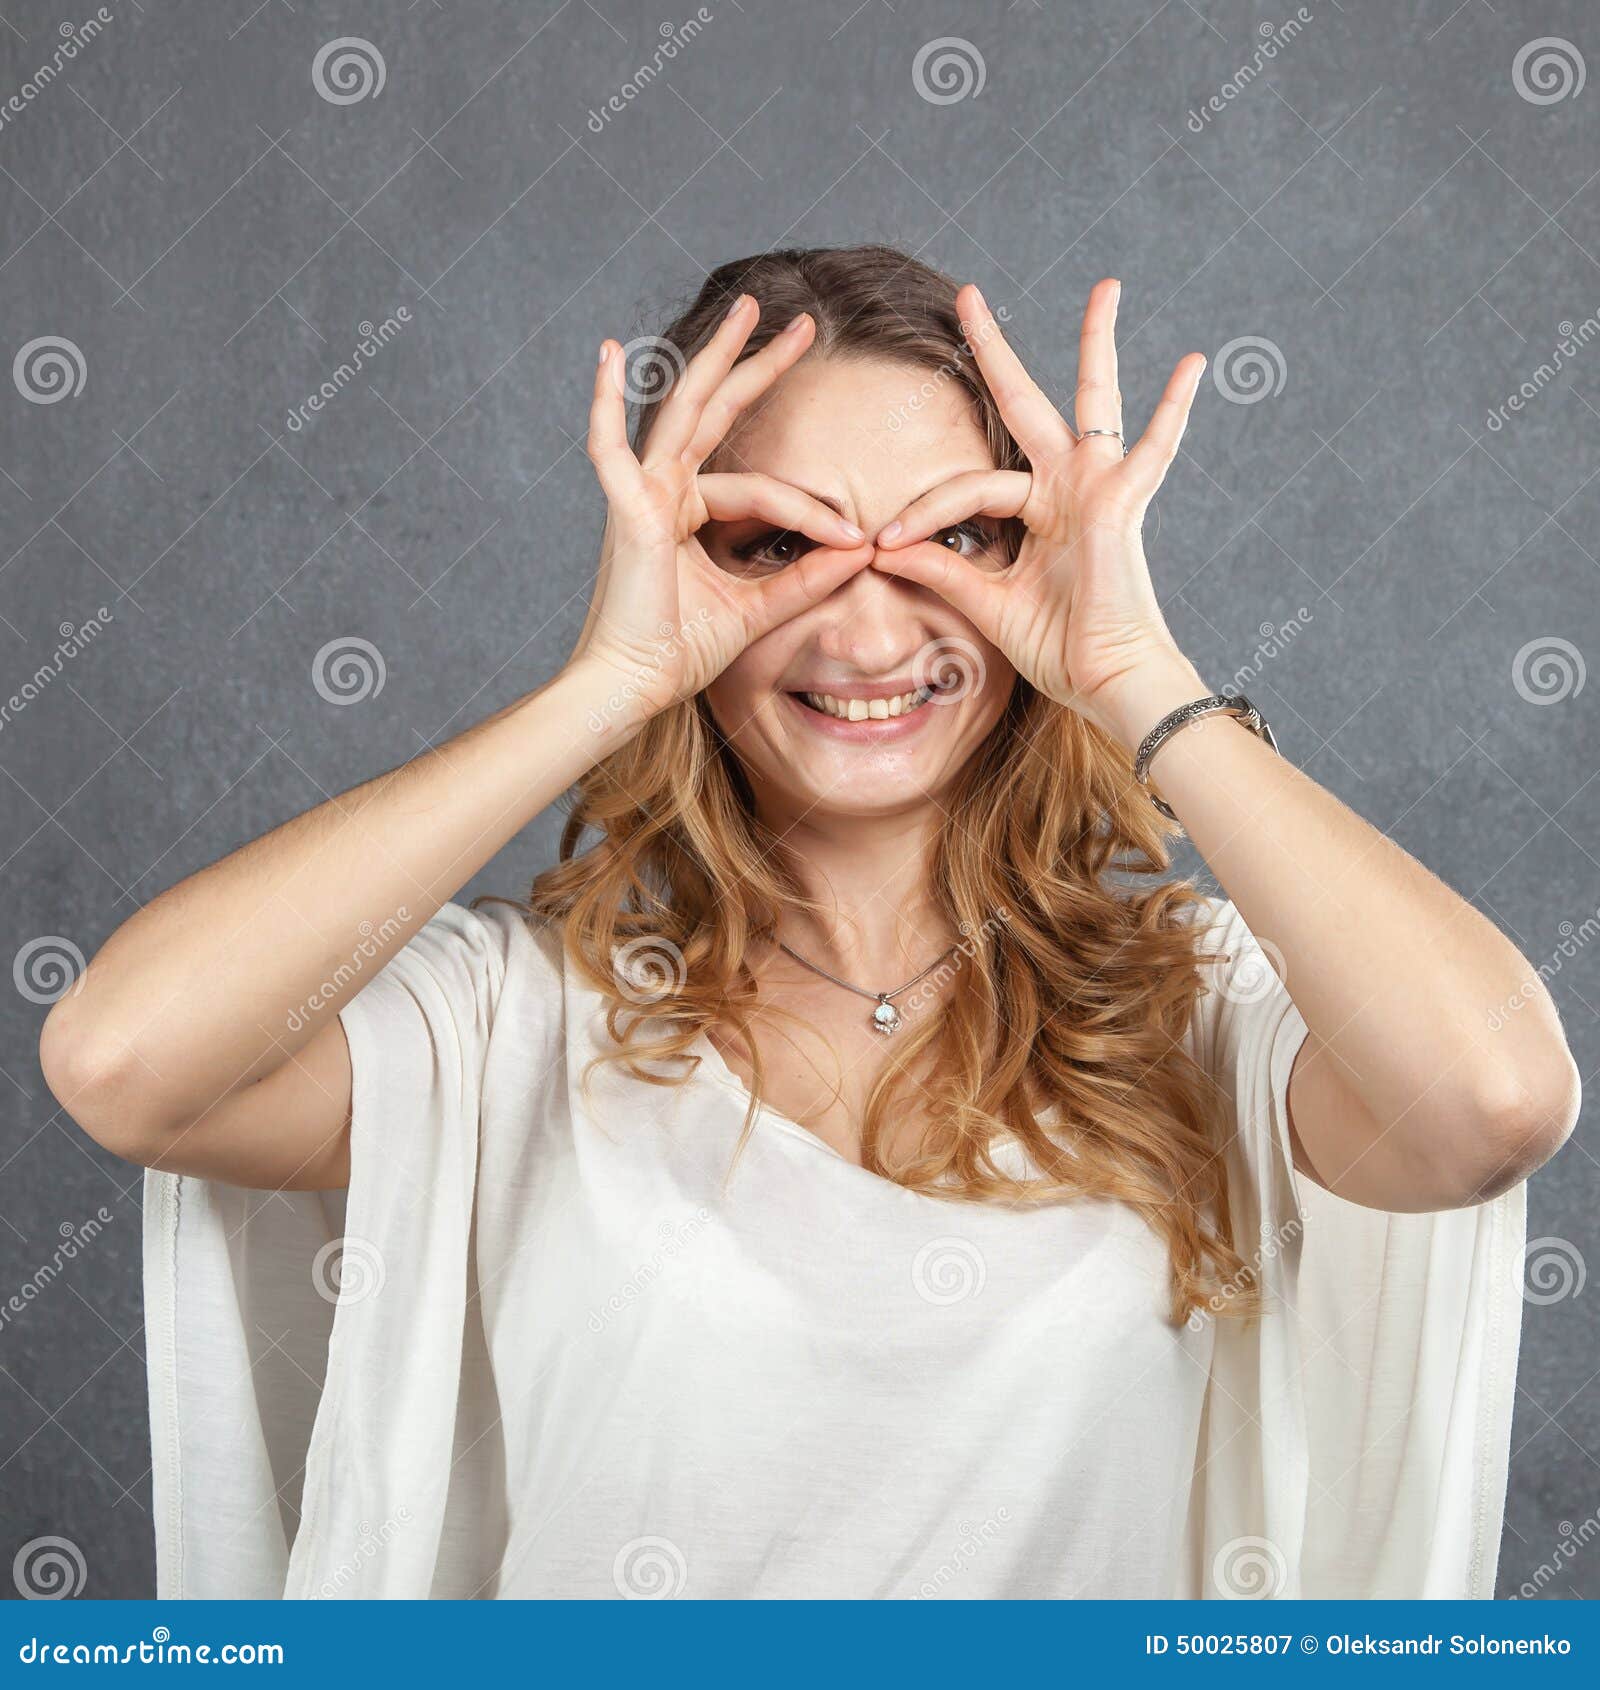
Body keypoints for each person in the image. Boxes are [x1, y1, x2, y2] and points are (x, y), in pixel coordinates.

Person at [41, 245, 1579, 1600]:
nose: (867, 624)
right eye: (775, 546)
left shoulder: (1196, 1014)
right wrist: (601, 686)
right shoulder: (518, 1019)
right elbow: (127, 1061)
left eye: (950, 540)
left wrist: (1137, 676)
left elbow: (1495, 1101)